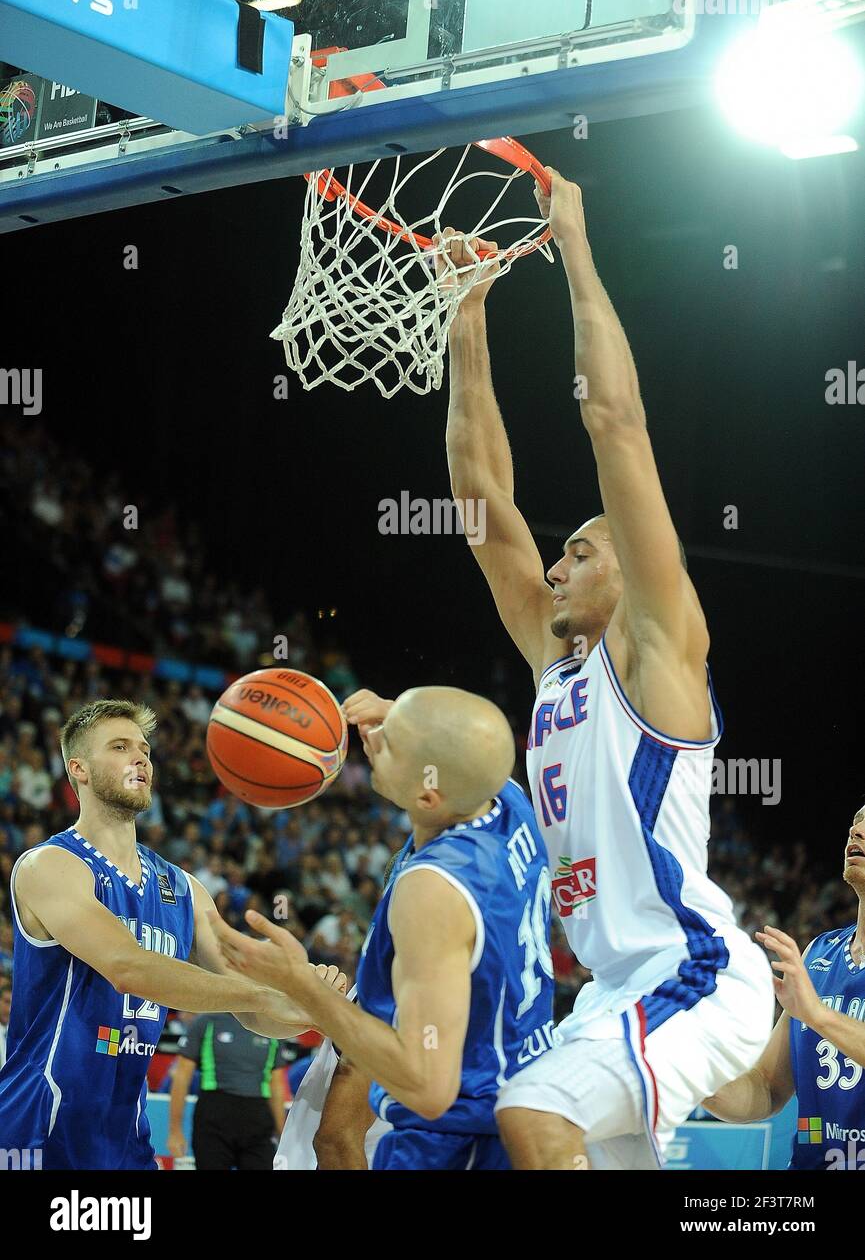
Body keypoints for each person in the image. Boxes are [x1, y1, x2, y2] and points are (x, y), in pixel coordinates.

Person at [441, 170, 774, 1169]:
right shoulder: (558, 660)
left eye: (580, 550)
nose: (553, 564)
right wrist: (467, 313)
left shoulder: (657, 644)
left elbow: (615, 424)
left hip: (693, 967)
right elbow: (475, 502)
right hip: (611, 984)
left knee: (532, 1117)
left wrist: (573, 250)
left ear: (632, 565)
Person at [212, 685, 556, 1171]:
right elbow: (472, 743)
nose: (371, 743)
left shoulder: (432, 890)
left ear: (427, 792)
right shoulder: (506, 800)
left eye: (391, 742)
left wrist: (300, 985)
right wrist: (399, 714)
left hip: (456, 1144)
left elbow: (428, 1090)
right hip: (522, 1110)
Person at [0, 698, 341, 1170]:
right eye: (120, 747)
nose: (140, 758)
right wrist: (267, 995)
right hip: (41, 1131)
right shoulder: (51, 866)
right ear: (77, 768)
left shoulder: (185, 889)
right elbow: (129, 967)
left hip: (127, 1139)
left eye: (144, 749)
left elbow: (254, 1014)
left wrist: (310, 1001)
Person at [704, 802, 865, 1170]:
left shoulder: (814, 1004)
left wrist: (818, 1015)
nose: (856, 831)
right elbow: (766, 1088)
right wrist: (695, 1077)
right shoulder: (819, 955)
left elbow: (816, 1015)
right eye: (855, 822)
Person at [168, 1013, 289, 1170]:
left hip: (258, 1120)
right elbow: (182, 1076)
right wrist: (175, 1131)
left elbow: (277, 1085)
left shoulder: (273, 1027)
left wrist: (283, 1138)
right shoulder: (207, 1022)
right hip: (214, 1117)